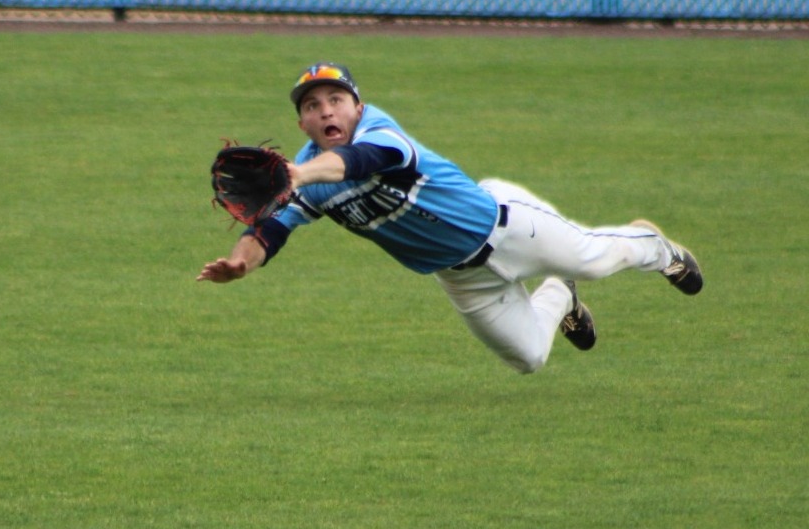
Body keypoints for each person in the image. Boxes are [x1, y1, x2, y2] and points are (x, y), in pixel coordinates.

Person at [197, 62, 702, 373]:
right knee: (529, 358)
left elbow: (360, 163)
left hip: (505, 228)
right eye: (312, 105)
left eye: (336, 99)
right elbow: (269, 228)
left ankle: (654, 246)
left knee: (594, 258)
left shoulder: (380, 133)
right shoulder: (306, 171)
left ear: (357, 106)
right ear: (302, 122)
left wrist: (301, 175)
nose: (326, 110)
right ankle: (559, 293)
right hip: (461, 279)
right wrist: (242, 263)